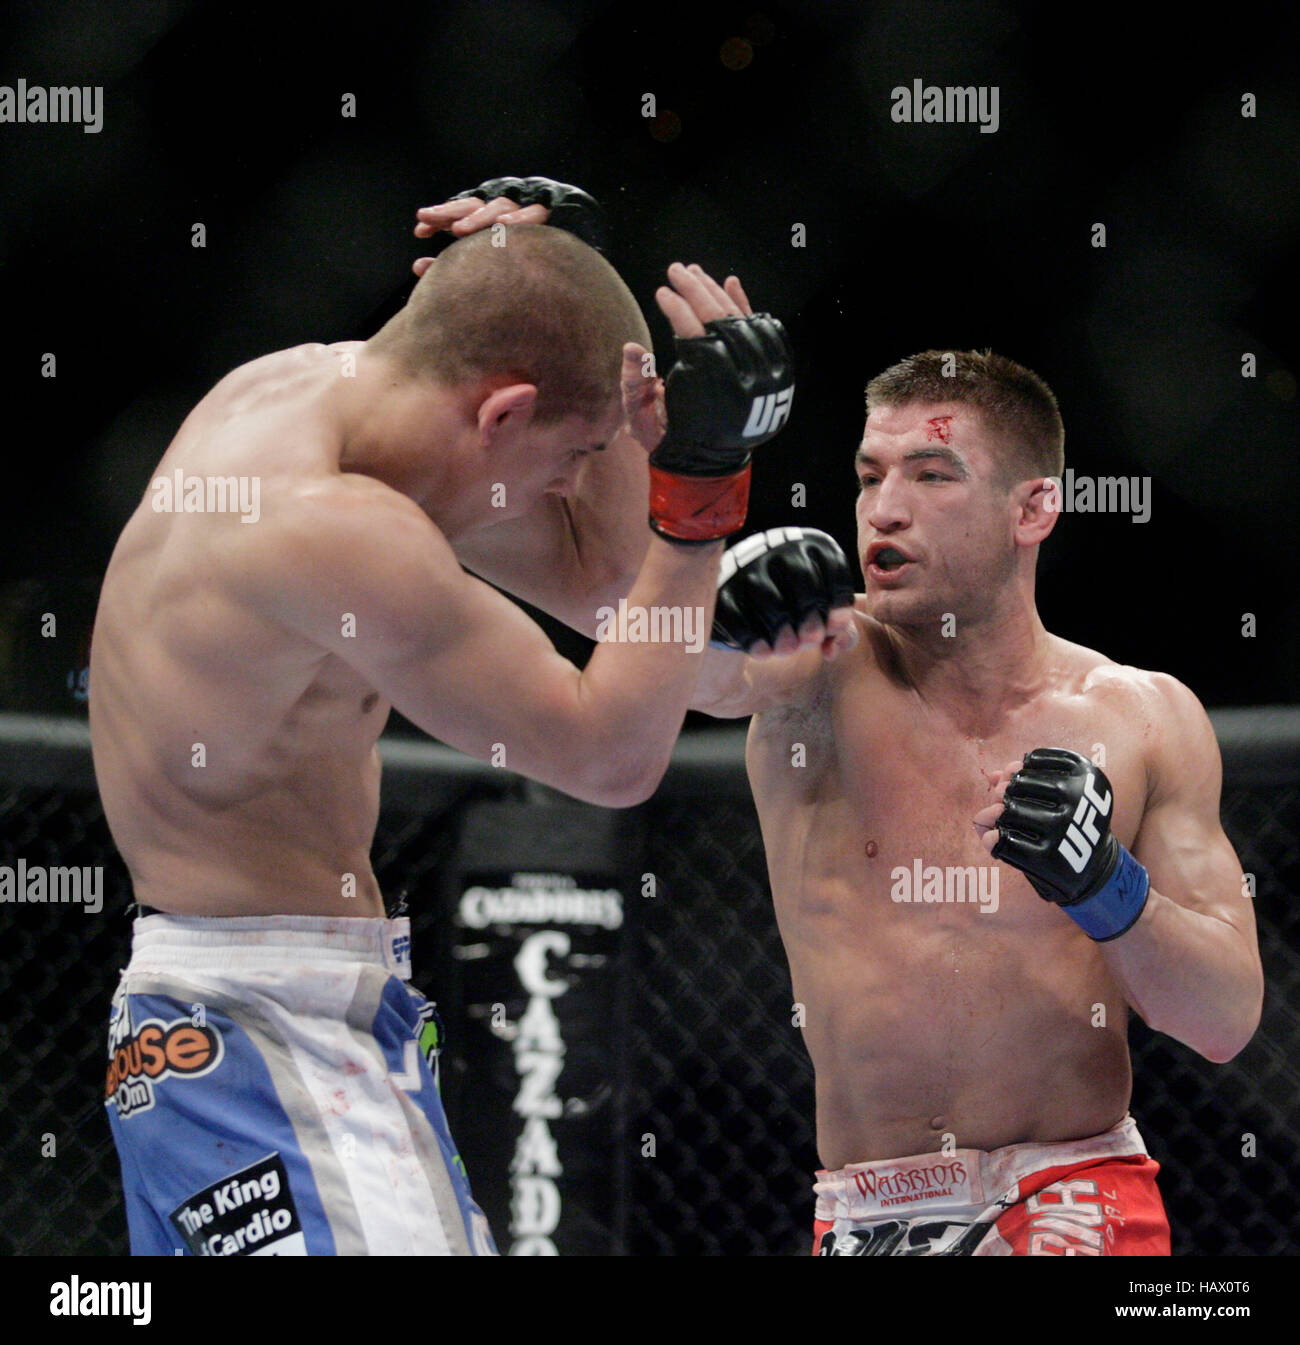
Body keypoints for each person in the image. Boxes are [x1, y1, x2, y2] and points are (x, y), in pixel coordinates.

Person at [91, 197, 836, 1255]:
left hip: (213, 1026)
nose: (574, 484)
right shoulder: (337, 532)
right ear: (500, 417)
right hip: (277, 1032)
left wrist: (586, 310)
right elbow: (610, 756)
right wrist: (704, 488)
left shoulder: (292, 398)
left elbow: (612, 595)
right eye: (576, 452)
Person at [697, 350, 1265, 1255]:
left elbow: (1226, 1017)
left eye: (932, 475)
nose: (884, 509)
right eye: (870, 476)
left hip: (1074, 1188)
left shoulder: (1144, 717)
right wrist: (721, 608)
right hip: (866, 1208)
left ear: (1032, 508)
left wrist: (1105, 886)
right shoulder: (822, 666)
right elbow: (696, 685)